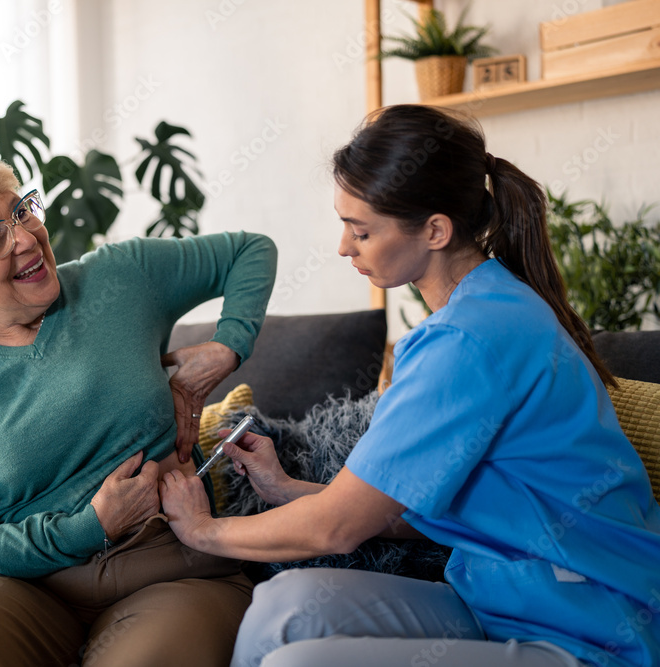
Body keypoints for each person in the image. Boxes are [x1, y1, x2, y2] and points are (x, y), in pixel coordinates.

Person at [160, 105, 660, 667]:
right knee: (285, 607)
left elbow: (339, 529)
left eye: (362, 230)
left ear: (436, 231)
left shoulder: (469, 341)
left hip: (592, 634)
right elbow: (397, 509)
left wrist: (203, 530)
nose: (345, 248)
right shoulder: (481, 310)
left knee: (295, 663)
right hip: (499, 602)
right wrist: (285, 489)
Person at [0, 154, 277, 667]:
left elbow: (249, 251)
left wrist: (225, 349)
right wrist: (89, 527)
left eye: (21, 211)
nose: (24, 237)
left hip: (172, 568)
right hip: (28, 590)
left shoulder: (118, 278)